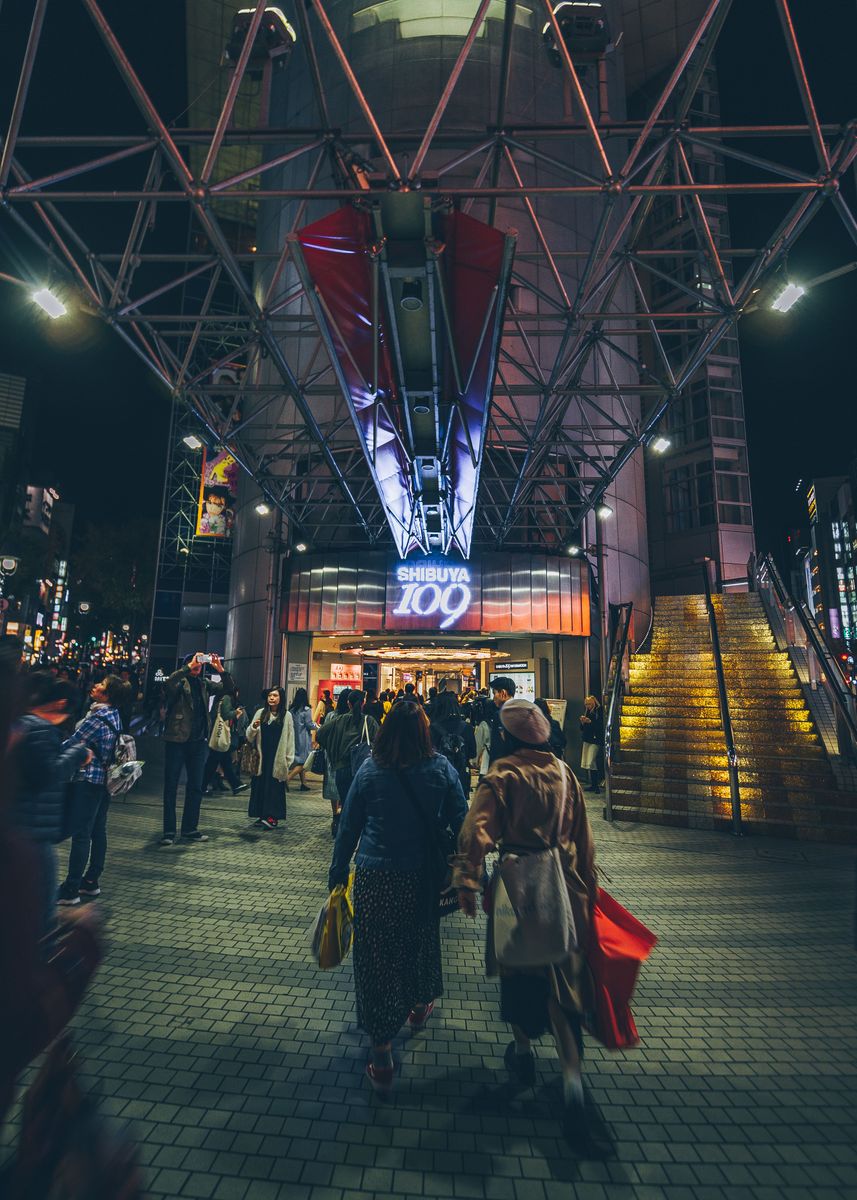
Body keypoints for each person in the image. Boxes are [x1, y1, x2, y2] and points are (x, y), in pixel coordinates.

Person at [452, 698, 598, 1150]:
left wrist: (467, 882)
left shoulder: (502, 775)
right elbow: (582, 835)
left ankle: (522, 1052)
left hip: (515, 881)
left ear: (506, 736)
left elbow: (475, 831)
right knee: (563, 984)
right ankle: (572, 1083)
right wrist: (586, 886)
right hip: (560, 882)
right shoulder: (564, 772)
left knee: (517, 973)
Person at [328, 701, 468, 1092]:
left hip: (375, 877)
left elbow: (348, 826)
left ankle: (382, 1052)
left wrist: (338, 872)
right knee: (419, 942)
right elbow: (463, 819)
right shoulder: (440, 768)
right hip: (422, 876)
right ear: (425, 731)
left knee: (375, 958)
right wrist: (474, 871)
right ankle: (419, 1006)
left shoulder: (371, 769)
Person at [10, 674, 92, 932]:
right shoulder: (42, 730)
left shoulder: (20, 724)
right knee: (42, 909)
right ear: (60, 704)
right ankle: (37, 959)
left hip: (17, 826)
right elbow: (47, 775)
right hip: (34, 830)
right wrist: (77, 752)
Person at [58, 673, 132, 905]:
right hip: (104, 783)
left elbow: (71, 744)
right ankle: (91, 881)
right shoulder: (114, 715)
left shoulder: (96, 719)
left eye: (101, 685)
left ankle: (70, 889)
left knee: (81, 835)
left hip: (88, 781)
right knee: (98, 831)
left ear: (106, 695)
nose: (96, 685)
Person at [161, 652, 235, 847]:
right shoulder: (180, 681)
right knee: (171, 786)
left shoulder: (203, 684)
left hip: (197, 741)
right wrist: (187, 667)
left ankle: (189, 829)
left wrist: (220, 669)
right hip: (176, 740)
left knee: (196, 787)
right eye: (195, 662)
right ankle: (168, 831)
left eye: (200, 663)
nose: (198, 666)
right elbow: (168, 684)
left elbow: (229, 689)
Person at [315, 689, 379, 838]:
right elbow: (380, 741)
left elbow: (320, 735)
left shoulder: (339, 720)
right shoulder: (369, 721)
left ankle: (346, 834)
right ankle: (362, 836)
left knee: (346, 803)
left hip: (342, 769)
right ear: (363, 703)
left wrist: (333, 751)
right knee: (363, 804)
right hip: (363, 770)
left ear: (348, 703)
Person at [245, 687, 295, 829]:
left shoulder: (287, 716)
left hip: (277, 758)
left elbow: (290, 738)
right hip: (262, 758)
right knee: (260, 786)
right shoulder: (260, 713)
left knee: (274, 788)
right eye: (270, 695)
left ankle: (272, 817)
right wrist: (253, 727)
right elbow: (249, 735)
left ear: (281, 698)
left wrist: (288, 760)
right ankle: (262, 815)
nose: (271, 698)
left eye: (275, 695)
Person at [429, 688, 477, 799]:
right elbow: (472, 754)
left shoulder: (432, 728)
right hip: (460, 778)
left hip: (438, 777)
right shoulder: (467, 727)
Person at [203, 683, 248, 796]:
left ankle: (235, 784)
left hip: (216, 732)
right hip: (219, 734)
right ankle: (201, 786)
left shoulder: (220, 697)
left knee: (223, 761)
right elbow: (226, 714)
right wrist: (236, 713)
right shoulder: (227, 698)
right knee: (213, 762)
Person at [286, 687, 317, 792]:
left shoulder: (291, 709)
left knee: (300, 761)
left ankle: (304, 784)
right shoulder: (306, 710)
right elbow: (309, 725)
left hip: (294, 738)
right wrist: (317, 726)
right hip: (303, 739)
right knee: (303, 763)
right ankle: (288, 778)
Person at [487, 675, 516, 763]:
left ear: (503, 693)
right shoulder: (523, 711)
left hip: (503, 766)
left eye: (494, 693)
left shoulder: (500, 715)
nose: (493, 698)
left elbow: (497, 748)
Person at [579, 695, 604, 794]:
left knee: (592, 760)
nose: (587, 706)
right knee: (589, 762)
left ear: (594, 702)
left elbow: (599, 725)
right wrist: (582, 722)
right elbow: (582, 728)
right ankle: (594, 784)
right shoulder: (587, 712)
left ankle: (596, 785)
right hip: (588, 739)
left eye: (589, 704)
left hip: (595, 740)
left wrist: (589, 722)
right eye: (586, 704)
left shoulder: (599, 711)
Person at [471, 697, 492, 782]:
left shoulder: (484, 724)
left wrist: (473, 762)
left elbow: (478, 745)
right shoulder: (501, 720)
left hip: (486, 765)